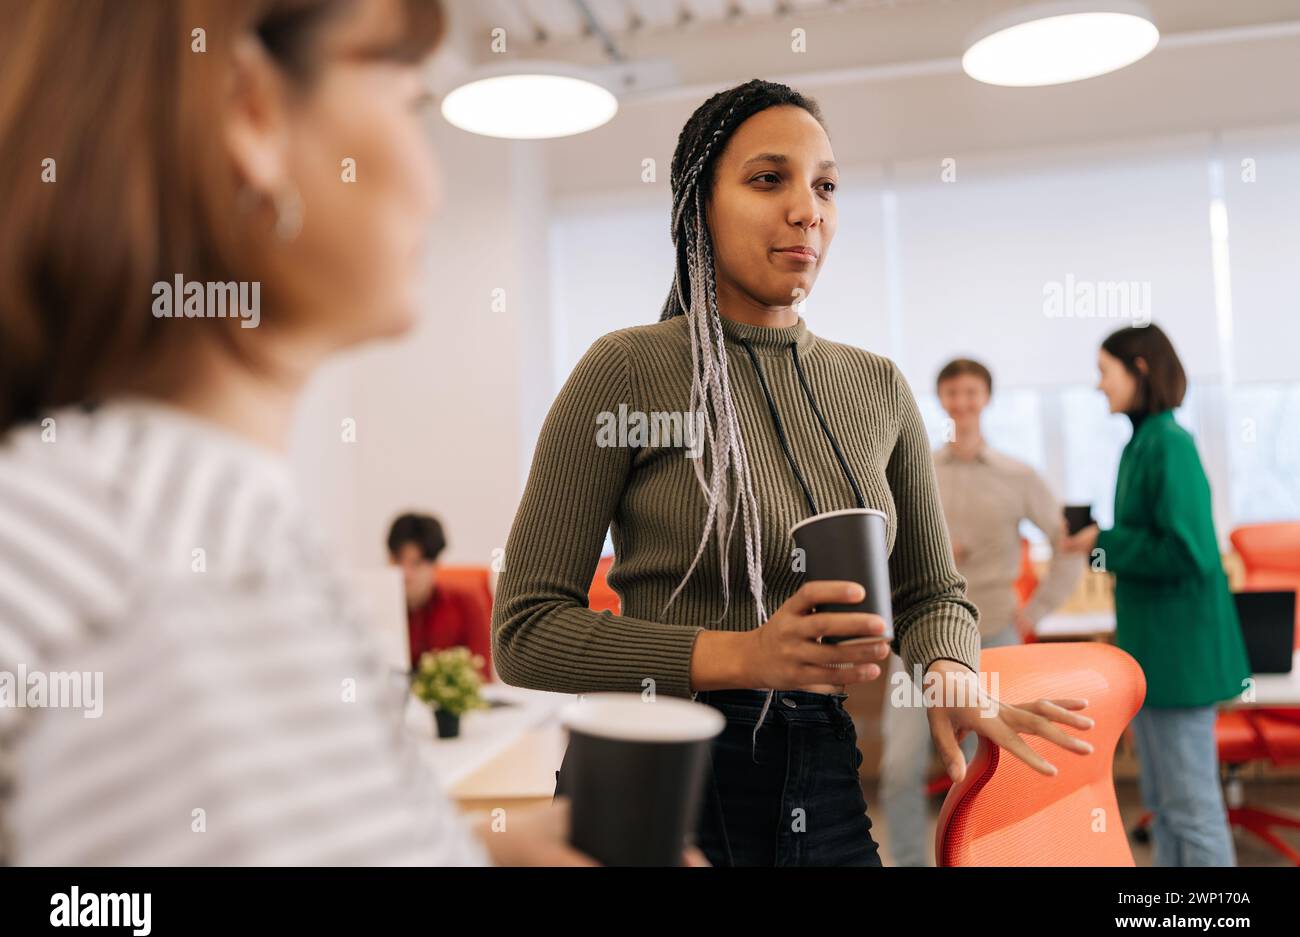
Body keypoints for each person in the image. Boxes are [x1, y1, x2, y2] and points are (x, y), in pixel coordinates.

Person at [0, 0, 588, 866]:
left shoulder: (125, 509)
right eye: (410, 102)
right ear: (253, 112)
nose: (430, 179)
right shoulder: (179, 557)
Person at [492, 78, 1095, 867]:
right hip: (658, 774)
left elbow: (927, 589)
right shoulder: (627, 370)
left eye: (826, 186)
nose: (808, 209)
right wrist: (743, 654)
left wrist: (949, 668)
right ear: (697, 207)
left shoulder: (877, 386)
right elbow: (526, 630)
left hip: (823, 766)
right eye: (769, 178)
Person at [880, 357, 1084, 866]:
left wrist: (1033, 614)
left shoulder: (1018, 476)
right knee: (901, 766)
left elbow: (1069, 545)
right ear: (942, 399)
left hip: (994, 633)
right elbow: (884, 545)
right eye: (952, 392)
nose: (962, 402)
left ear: (986, 398)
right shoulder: (914, 469)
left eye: (972, 392)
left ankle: (983, 858)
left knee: (988, 769)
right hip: (918, 640)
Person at [1062, 324, 1250, 867]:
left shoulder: (1170, 442)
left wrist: (1106, 542)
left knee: (1191, 811)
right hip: (1154, 658)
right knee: (1165, 810)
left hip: (1179, 662)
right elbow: (1142, 546)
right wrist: (1098, 546)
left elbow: (1191, 553)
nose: (1099, 386)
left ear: (1139, 369)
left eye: (1105, 372)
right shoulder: (1141, 443)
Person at [387, 513, 492, 675]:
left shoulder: (466, 604)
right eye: (399, 561)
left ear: (434, 564)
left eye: (416, 563)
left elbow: (481, 675)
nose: (405, 573)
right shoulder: (373, 608)